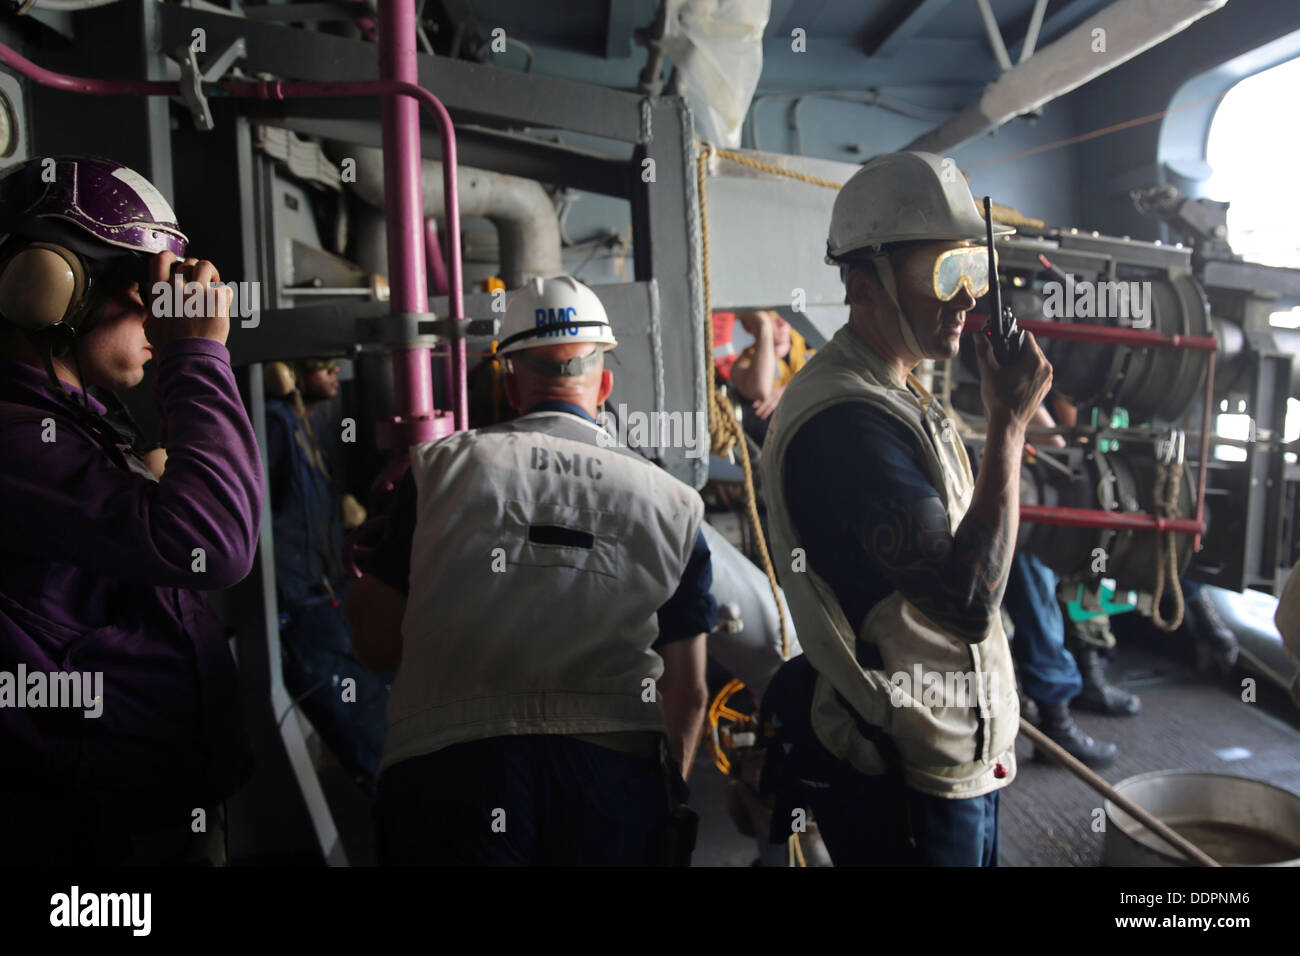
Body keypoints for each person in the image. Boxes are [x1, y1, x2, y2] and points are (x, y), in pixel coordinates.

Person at [347, 274, 716, 865]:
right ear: (604, 385)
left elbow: (376, 642)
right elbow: (689, 693)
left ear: (510, 385)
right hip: (610, 781)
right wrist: (665, 798)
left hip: (450, 772)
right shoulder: (674, 503)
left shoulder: (438, 470)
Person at [758, 150, 1052, 866]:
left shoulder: (896, 391)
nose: (967, 299)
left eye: (975, 270)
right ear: (864, 285)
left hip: (954, 755)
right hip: (906, 771)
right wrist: (1009, 425)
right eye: (945, 274)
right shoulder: (848, 422)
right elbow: (965, 605)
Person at [0, 156, 261, 865]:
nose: (159, 313)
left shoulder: (72, 424)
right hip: (88, 831)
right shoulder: (16, 437)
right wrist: (196, 355)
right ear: (55, 288)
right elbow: (216, 545)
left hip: (141, 809)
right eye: (144, 288)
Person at [265, 357, 389, 793]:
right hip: (302, 608)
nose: (336, 372)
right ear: (289, 372)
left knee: (387, 716)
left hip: (330, 594)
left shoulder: (306, 423)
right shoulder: (274, 425)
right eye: (324, 365)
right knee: (370, 742)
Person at [729, 309, 814, 444]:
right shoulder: (743, 366)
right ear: (750, 327)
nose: (782, 323)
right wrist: (763, 325)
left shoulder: (813, 340)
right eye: (773, 319)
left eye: (785, 315)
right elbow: (760, 390)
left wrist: (787, 391)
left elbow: (836, 378)